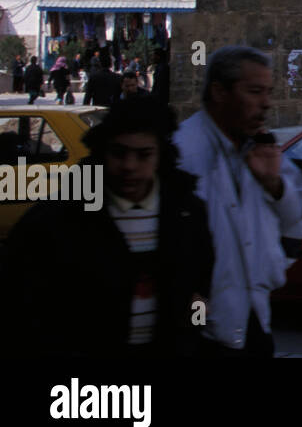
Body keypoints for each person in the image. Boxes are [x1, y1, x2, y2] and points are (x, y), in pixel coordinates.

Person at [0, 97, 214, 355]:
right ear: (103, 151)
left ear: (160, 155)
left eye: (143, 155)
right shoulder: (58, 219)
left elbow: (201, 288)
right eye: (119, 153)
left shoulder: (187, 214)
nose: (129, 166)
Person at [175, 46, 302, 357]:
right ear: (220, 92)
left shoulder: (258, 148)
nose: (266, 103)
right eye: (255, 91)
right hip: (204, 333)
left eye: (268, 92)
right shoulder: (184, 152)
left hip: (253, 320)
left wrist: (274, 184)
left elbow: (293, 218)